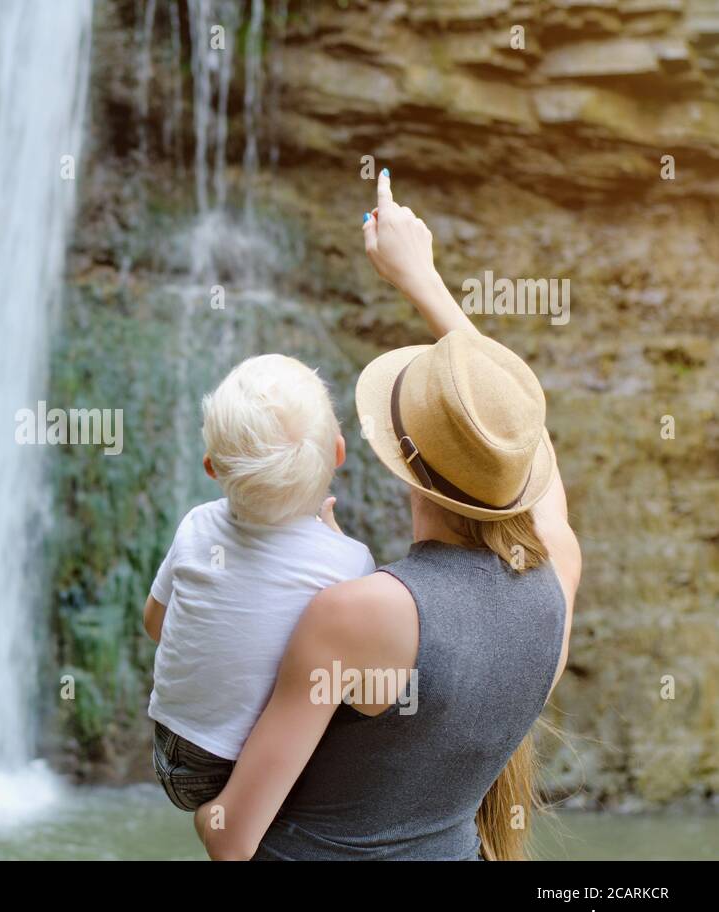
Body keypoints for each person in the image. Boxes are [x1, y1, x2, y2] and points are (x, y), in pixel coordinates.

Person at [194, 169, 582, 860]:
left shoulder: (356, 613)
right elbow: (520, 438)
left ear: (399, 453)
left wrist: (197, 788)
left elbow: (230, 837)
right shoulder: (552, 588)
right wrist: (425, 283)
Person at [145, 354, 375, 811]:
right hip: (265, 769)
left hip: (176, 757)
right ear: (338, 452)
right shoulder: (350, 561)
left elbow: (156, 626)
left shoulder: (195, 526)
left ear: (211, 467)